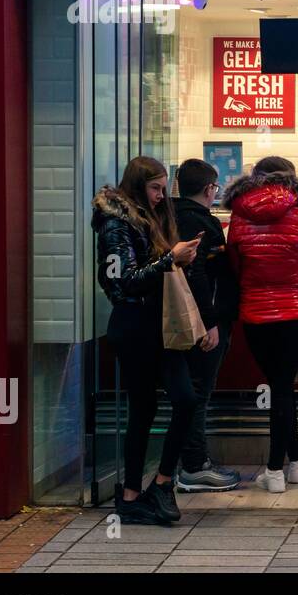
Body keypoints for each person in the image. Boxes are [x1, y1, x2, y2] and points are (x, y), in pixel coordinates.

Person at [91, 156, 201, 525]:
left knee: (177, 402)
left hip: (158, 324)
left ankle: (154, 486)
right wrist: (171, 258)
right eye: (154, 187)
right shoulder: (115, 221)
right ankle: (136, 494)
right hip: (135, 325)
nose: (161, 195)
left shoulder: (151, 217)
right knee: (149, 408)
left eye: (163, 187)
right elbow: (122, 281)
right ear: (137, 186)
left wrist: (179, 258)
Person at [223, 156, 298, 494]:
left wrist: (253, 294)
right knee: (283, 387)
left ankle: (295, 462)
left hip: (255, 316)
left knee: (279, 385)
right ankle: (275, 470)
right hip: (295, 315)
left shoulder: (238, 216)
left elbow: (234, 268)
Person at [173, 158, 242, 492]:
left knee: (192, 392)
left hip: (188, 321)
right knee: (198, 393)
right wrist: (210, 322)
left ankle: (189, 462)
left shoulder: (173, 216)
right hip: (202, 324)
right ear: (209, 189)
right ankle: (194, 467)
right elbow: (197, 274)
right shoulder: (198, 222)